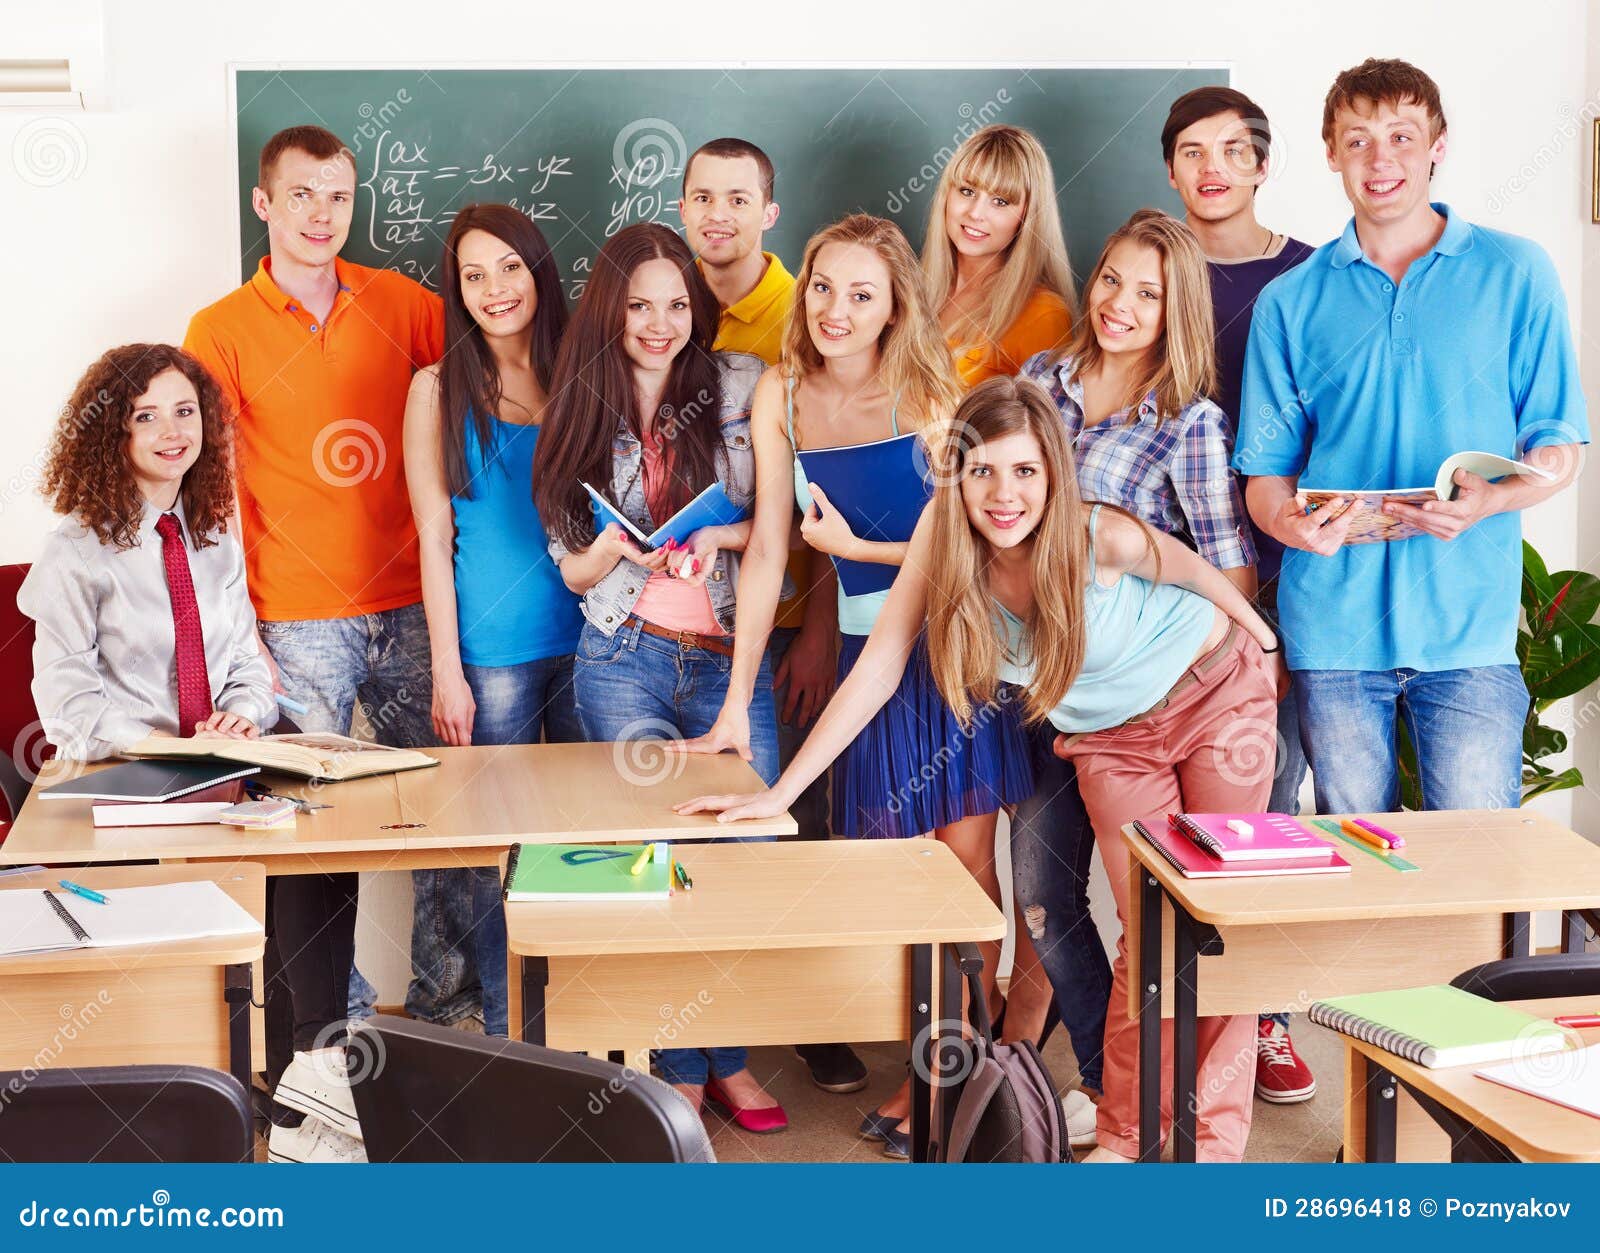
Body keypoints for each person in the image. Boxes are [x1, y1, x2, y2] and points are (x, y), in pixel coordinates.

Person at [677, 374, 1283, 1163]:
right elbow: (881, 665)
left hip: (1213, 696)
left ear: (1052, 477)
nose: (1005, 494)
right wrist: (782, 794)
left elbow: (1193, 572)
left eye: (1025, 471)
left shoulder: (1098, 532)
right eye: (984, 471)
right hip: (1108, 739)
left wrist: (1259, 642)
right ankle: (1133, 1133)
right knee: (1149, 926)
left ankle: (1213, 1139)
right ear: (955, 473)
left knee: (1217, 914)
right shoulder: (944, 535)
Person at [675, 214, 1032, 1158]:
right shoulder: (781, 395)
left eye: (861, 293)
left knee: (962, 880)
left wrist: (850, 549)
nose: (836, 310)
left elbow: (974, 542)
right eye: (823, 287)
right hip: (866, 667)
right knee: (891, 880)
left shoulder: (928, 393)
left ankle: (951, 1081)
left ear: (894, 306)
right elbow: (765, 554)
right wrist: (733, 704)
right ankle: (953, 1065)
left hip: (951, 657)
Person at [182, 124, 448, 1159]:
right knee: (305, 829)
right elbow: (209, 483)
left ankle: (451, 1012)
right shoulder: (220, 326)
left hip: (420, 604)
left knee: (443, 813)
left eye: (338, 195)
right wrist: (234, 630)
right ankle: (313, 1047)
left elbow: (486, 397)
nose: (321, 214)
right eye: (300, 195)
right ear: (264, 204)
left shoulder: (407, 305)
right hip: (293, 612)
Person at [1236, 61, 1585, 827]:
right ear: (1330, 153)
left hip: (1470, 626)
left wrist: (1499, 497)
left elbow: (1559, 442)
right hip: (1331, 629)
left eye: (1401, 136)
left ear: (1439, 146)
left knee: (1477, 864)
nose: (1380, 159)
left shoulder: (1517, 272)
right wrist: (1287, 523)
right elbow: (1265, 475)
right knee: (1360, 862)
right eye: (1357, 140)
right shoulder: (1288, 302)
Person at [531, 222, 787, 1133]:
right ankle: (686, 1065)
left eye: (677, 304)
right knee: (662, 869)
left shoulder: (748, 386)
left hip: (727, 656)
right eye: (639, 304)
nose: (659, 322)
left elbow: (775, 527)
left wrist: (715, 533)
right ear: (611, 307)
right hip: (620, 658)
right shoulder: (576, 406)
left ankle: (732, 1057)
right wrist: (605, 551)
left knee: (747, 862)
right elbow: (570, 569)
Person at [1012, 207, 1255, 1117]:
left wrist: (1220, 666)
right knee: (1041, 894)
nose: (1119, 303)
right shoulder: (1042, 381)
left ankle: (1190, 1120)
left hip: (1160, 698)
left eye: (1147, 292)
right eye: (1111, 278)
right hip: (1047, 690)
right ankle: (1106, 1088)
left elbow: (1227, 566)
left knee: (1184, 913)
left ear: (1175, 308)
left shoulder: (1188, 422)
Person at [679, 138, 865, 1096]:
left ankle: (810, 1020)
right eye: (702, 196)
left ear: (769, 212)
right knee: (712, 820)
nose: (719, 214)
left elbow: (829, 499)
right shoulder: (662, 300)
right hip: (686, 613)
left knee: (799, 818)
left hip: (796, 606)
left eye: (738, 197)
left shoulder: (808, 314)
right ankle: (701, 1045)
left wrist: (824, 624)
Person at [1161, 85, 1319, 1105]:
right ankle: (1182, 1022)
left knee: (1268, 795)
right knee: (1173, 819)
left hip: (1286, 579)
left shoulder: (1310, 278)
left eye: (1232, 150)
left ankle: (1264, 1015)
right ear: (1169, 169)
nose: (1211, 166)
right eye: (1190, 151)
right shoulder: (1150, 272)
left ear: (1263, 164)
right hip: (1164, 588)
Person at [402, 203, 581, 1039]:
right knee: (495, 851)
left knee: (597, 838)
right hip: (494, 655)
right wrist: (446, 666)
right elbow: (434, 539)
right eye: (473, 275)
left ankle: (589, 1022)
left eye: (510, 267)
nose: (494, 289)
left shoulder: (589, 370)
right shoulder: (436, 390)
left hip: (603, 645)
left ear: (538, 270)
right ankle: (517, 1037)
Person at [21, 344, 276, 761]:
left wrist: (239, 716)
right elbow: (69, 705)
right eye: (146, 417)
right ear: (112, 433)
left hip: (218, 765)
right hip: (119, 774)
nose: (172, 432)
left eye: (185, 411)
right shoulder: (73, 551)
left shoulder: (215, 540)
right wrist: (170, 749)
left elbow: (246, 664)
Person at [921, 123, 1074, 387]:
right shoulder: (912, 287)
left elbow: (1042, 426)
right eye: (967, 191)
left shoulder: (1044, 314)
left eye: (1001, 201)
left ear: (1027, 217)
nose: (976, 213)